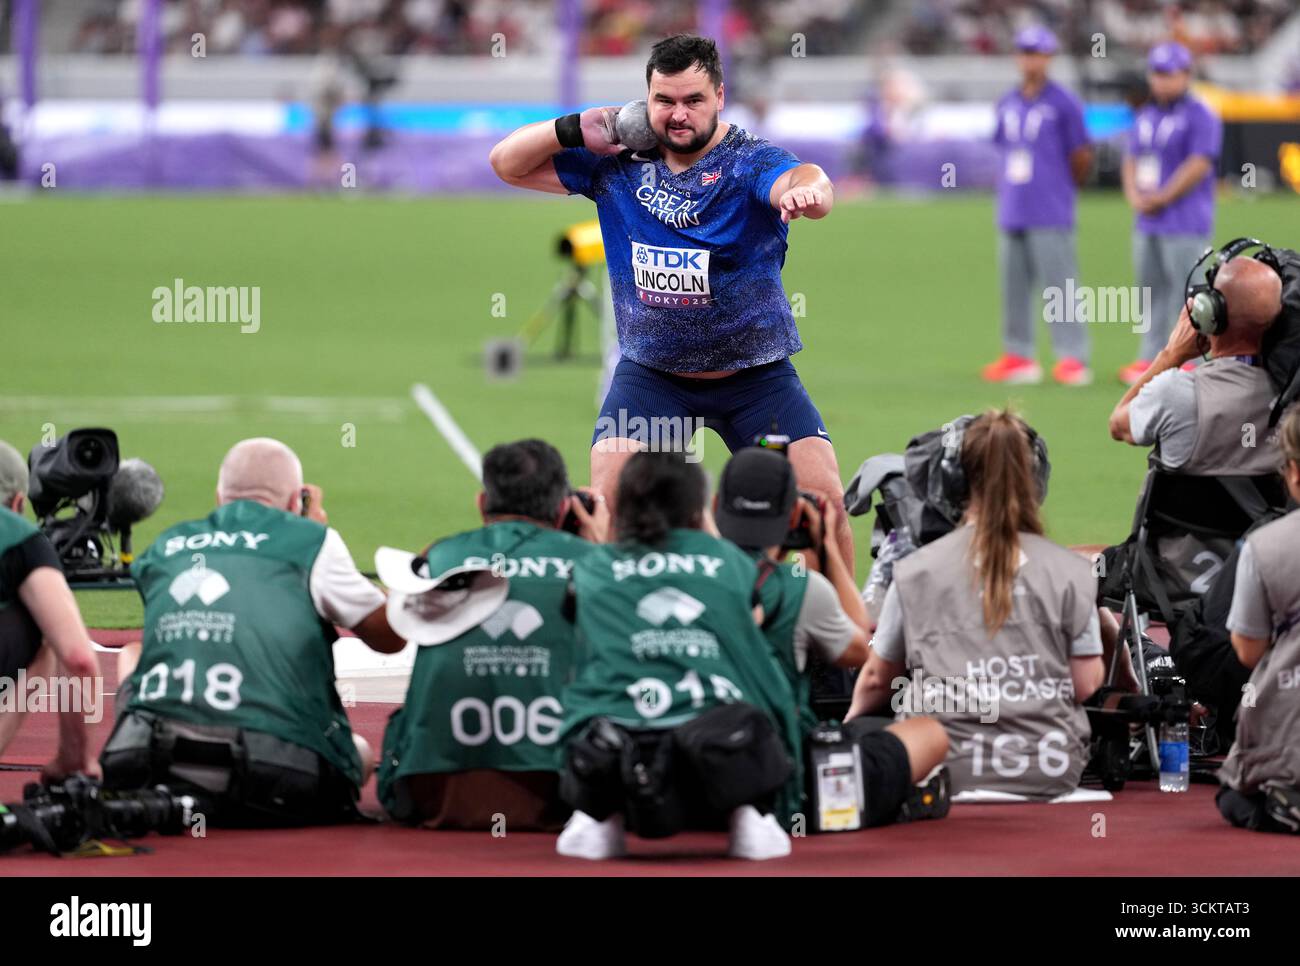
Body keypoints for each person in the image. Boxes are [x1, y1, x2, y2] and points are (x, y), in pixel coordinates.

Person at [488, 34, 856, 571]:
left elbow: (805, 180)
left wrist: (809, 193)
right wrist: (576, 128)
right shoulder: (617, 162)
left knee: (822, 503)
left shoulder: (748, 163)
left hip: (753, 378)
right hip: (654, 378)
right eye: (664, 101)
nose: (678, 115)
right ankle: (616, 627)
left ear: (720, 96)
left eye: (693, 100)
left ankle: (846, 644)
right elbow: (506, 163)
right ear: (645, 100)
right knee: (607, 505)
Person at [100, 437, 406, 826]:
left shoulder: (167, 545)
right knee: (359, 752)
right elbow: (391, 637)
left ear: (219, 497)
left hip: (149, 755)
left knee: (133, 652)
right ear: (297, 501)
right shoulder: (311, 541)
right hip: (276, 770)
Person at [557, 450, 803, 860]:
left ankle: (598, 818)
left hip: (609, 759)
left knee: (594, 708)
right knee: (742, 713)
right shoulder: (731, 564)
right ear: (697, 507)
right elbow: (762, 665)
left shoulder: (591, 567)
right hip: (722, 756)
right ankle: (748, 815)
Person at [846, 411, 1105, 799]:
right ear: (1035, 480)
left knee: (863, 737)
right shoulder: (1072, 572)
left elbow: (877, 680)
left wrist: (846, 727)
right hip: (1051, 770)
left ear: (950, 480)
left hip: (941, 766)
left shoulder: (915, 571)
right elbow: (1085, 684)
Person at [713, 446, 950, 827]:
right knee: (927, 732)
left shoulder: (682, 582)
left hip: (695, 759)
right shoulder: (800, 588)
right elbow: (863, 649)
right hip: (780, 773)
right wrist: (826, 549)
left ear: (715, 506)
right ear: (793, 514)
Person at [378, 439, 608, 831]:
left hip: (431, 790)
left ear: (483, 504)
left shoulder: (439, 556)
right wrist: (601, 546)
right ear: (564, 508)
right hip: (566, 791)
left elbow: (388, 632)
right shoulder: (598, 564)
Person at [982, 25, 1094, 388]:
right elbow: (1001, 148)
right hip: (1014, 205)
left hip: (1050, 206)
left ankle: (1072, 356)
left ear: (1049, 58)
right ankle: (1018, 354)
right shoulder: (1008, 101)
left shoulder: (1064, 102)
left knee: (1059, 284)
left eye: (1038, 53)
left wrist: (1059, 187)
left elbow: (1081, 155)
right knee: (1013, 283)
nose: (1031, 60)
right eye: (1026, 53)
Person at [1109, 255, 1284, 476]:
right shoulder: (1291, 394)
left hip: (1185, 511)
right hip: (1279, 512)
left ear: (1209, 312)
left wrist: (1171, 355)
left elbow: (1118, 425)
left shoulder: (1175, 392)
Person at [1120, 41, 1223, 385]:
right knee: (1149, 290)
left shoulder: (1200, 114)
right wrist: (1135, 193)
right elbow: (1131, 158)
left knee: (1191, 292)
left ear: (1185, 75)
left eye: (1169, 74)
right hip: (1148, 219)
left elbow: (1199, 163)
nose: (1162, 81)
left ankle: (1197, 355)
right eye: (1157, 73)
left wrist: (1163, 195)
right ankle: (1150, 356)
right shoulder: (1147, 114)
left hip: (1184, 219)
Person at [1217, 405, 1300, 832]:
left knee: (1233, 799)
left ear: (1294, 473)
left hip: (1287, 734)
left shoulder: (1265, 546)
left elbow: (1249, 651)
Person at [0, 440, 101, 780]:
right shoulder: (17, 534)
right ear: (17, 502)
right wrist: (76, 763)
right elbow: (79, 658)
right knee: (46, 640)